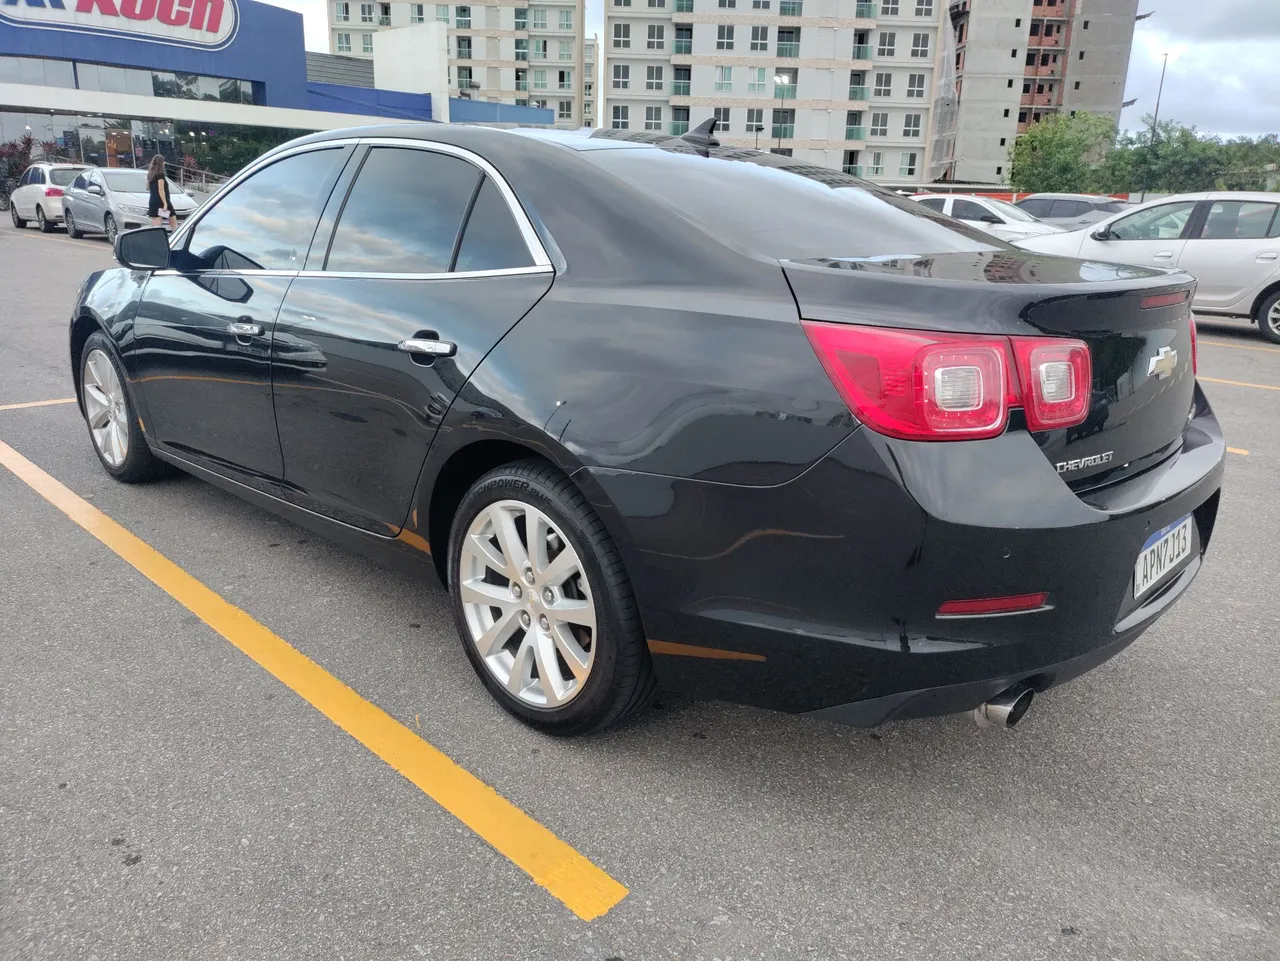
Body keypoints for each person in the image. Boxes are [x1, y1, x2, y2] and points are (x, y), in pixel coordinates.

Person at [146, 154, 177, 230]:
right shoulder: (160, 175)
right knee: (173, 222)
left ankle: (155, 236)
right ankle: (178, 235)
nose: (164, 163)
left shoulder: (150, 174)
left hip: (153, 201)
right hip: (162, 202)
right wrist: (165, 203)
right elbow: (161, 189)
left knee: (157, 223)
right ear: (161, 163)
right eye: (163, 162)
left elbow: (147, 187)